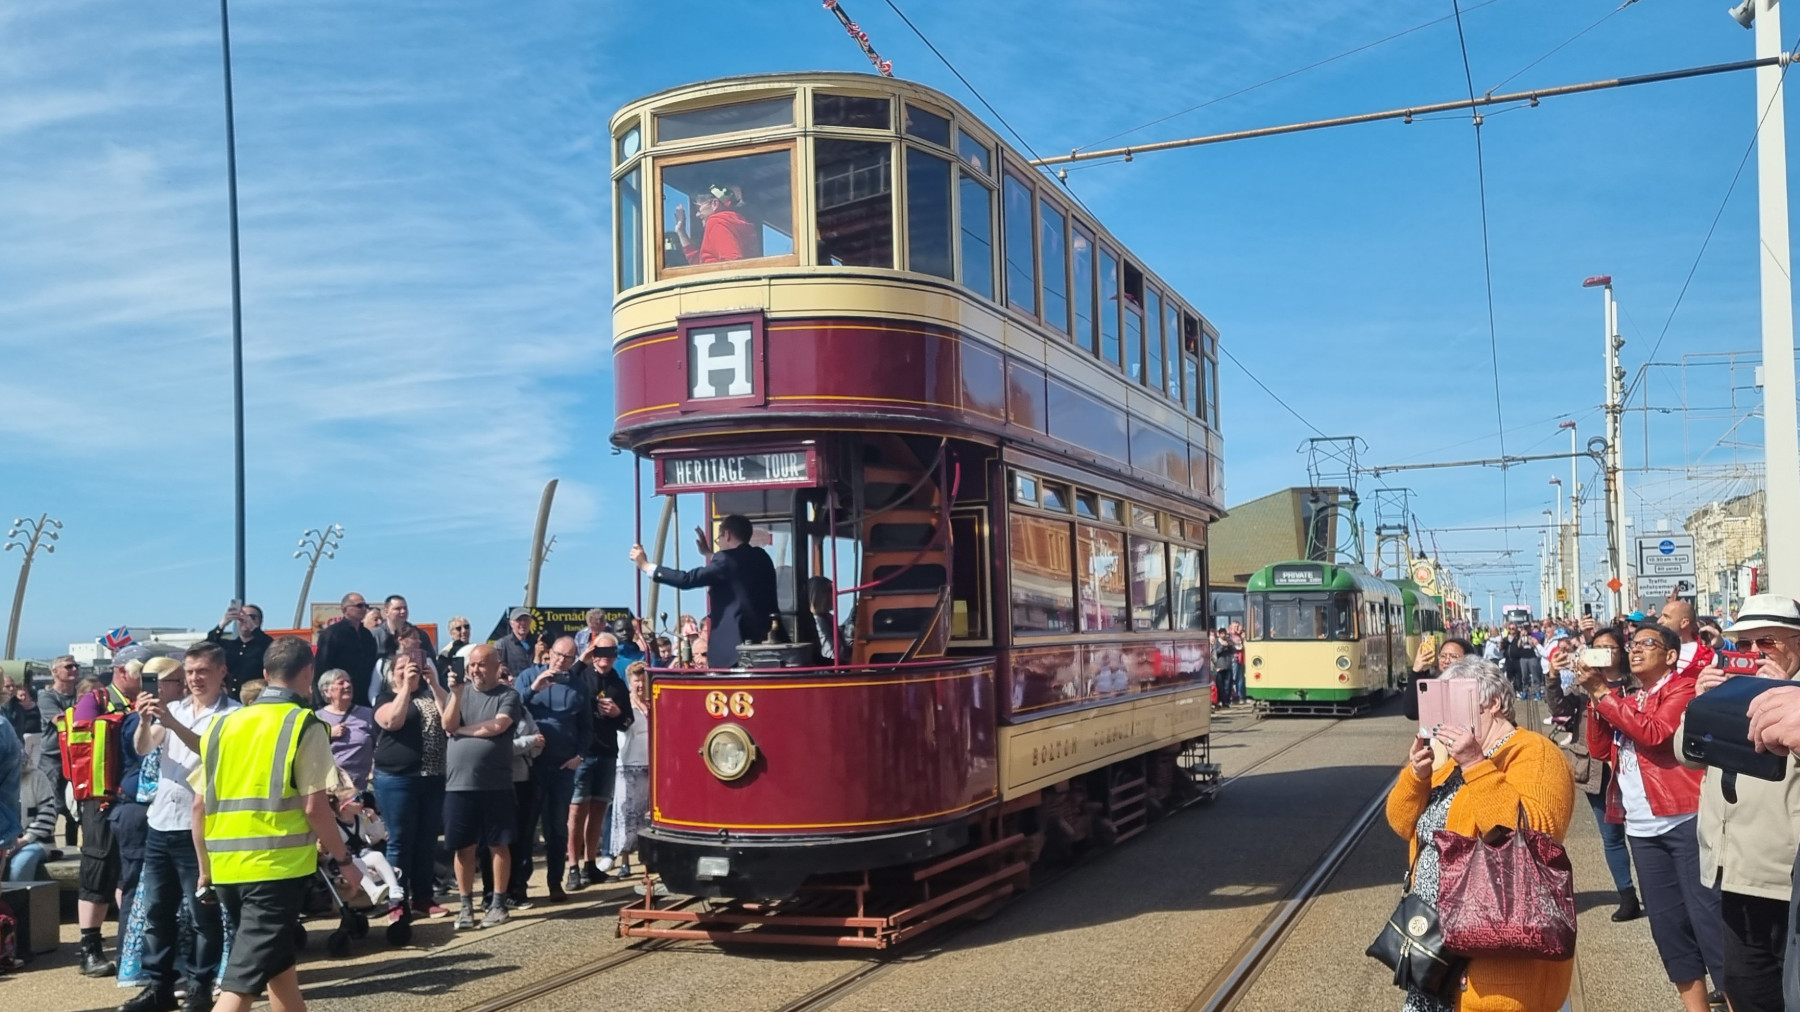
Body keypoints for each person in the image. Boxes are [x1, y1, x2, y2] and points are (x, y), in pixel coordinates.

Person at [1385, 656, 1575, 1011]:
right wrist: (1417, 776)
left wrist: (1476, 765)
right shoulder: (1451, 760)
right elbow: (1402, 823)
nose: (1447, 713)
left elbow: (1533, 833)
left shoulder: (1535, 753)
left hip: (1494, 957)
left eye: (1457, 700)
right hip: (1434, 949)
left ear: (1494, 704)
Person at [192, 637, 361, 1012]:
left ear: (266, 675)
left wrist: (205, 869)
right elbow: (316, 806)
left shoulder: (223, 726)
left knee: (278, 968)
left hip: (227, 868)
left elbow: (199, 805)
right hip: (275, 869)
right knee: (241, 983)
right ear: (309, 674)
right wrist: (345, 861)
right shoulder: (304, 723)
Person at [1585, 623, 1725, 1012]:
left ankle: (1735, 1002)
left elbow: (1655, 732)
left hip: (1684, 817)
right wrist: (1596, 698)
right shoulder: (1627, 695)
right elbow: (1598, 749)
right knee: (1669, 929)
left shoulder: (1682, 689)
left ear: (1669, 656)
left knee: (1709, 921)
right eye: (1633, 644)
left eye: (1648, 644)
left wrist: (1603, 696)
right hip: (1642, 827)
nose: (1635, 650)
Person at [1677, 596, 1800, 1012]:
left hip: (1783, 872)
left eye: (1764, 643)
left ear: (1796, 644)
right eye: (1741, 646)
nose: (1750, 656)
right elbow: (1688, 753)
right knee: (1746, 988)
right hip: (1733, 869)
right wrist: (1699, 706)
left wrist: (1784, 694)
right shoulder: (1730, 686)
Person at [120, 642, 238, 1012]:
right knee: (158, 910)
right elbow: (143, 749)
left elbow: (212, 752)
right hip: (161, 821)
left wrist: (172, 723)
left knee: (202, 911)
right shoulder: (176, 709)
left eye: (202, 671)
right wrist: (145, 721)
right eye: (189, 672)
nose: (195, 679)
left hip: (198, 824)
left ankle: (200, 985)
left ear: (221, 672)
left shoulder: (232, 714)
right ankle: (159, 986)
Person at [1542, 626, 1641, 922]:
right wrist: (1553, 676)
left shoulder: (1635, 683)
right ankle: (1628, 896)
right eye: (1596, 647)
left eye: (1609, 647)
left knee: (1641, 835)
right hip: (1596, 770)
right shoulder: (1583, 684)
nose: (1603, 653)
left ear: (1621, 651)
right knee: (1611, 837)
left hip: (1634, 768)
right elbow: (1560, 707)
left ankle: (1655, 889)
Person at [441, 644, 523, 930]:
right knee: (463, 847)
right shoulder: (461, 694)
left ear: (496, 666)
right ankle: (466, 906)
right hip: (458, 785)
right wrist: (456, 694)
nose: (476, 670)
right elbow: (446, 723)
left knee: (498, 844)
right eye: (472, 664)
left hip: (494, 784)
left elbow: (498, 726)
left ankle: (498, 903)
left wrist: (461, 732)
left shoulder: (509, 695)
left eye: (482, 665)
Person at [630, 514, 779, 669]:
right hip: (764, 643)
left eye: (719, 539)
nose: (719, 544)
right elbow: (737, 567)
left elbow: (687, 579)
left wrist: (646, 565)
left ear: (727, 535)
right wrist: (710, 554)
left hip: (733, 652)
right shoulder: (762, 557)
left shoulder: (725, 561)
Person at [371, 627, 450, 920]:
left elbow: (450, 720)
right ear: (392, 673)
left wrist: (434, 683)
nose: (409, 670)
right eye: (402, 667)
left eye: (413, 665)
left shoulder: (430, 694)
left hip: (431, 776)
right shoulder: (384, 697)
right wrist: (405, 687)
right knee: (400, 840)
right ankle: (397, 900)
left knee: (427, 839)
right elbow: (392, 721)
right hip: (397, 778)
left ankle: (424, 897)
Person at [61, 664, 133, 977]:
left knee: (130, 868)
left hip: (134, 800)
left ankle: (131, 943)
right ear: (122, 671)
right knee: (99, 865)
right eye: (141, 671)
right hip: (99, 797)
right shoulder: (96, 699)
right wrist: (122, 721)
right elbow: (82, 734)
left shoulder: (152, 699)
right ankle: (89, 949)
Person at [519, 636, 592, 903]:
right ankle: (520, 885)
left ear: (575, 661)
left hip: (563, 767)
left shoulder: (579, 687)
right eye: (558, 655)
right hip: (531, 765)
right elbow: (511, 709)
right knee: (526, 828)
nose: (561, 661)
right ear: (549, 653)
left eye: (568, 658)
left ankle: (555, 882)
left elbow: (586, 726)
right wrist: (533, 689)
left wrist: (580, 756)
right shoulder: (528, 676)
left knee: (557, 829)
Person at [572, 634, 630, 883]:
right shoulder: (582, 675)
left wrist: (617, 713)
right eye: (600, 652)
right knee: (576, 811)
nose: (604, 658)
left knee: (597, 810)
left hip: (607, 753)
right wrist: (581, 660)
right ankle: (573, 867)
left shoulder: (617, 682)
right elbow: (563, 682)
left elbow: (628, 721)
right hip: (583, 753)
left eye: (609, 653)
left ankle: (590, 865)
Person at [496, 666, 543, 911]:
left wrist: (532, 744)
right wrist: (529, 743)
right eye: (504, 675)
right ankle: (497, 893)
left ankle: (519, 888)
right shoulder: (491, 708)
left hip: (525, 779)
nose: (510, 678)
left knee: (524, 838)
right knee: (502, 839)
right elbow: (499, 746)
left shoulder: (522, 709)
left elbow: (539, 740)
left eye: (509, 674)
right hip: (500, 782)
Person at [604, 662, 651, 878]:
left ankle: (647, 859)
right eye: (636, 680)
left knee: (646, 815)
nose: (640, 684)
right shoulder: (625, 707)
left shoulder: (652, 705)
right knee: (626, 814)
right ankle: (623, 860)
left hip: (650, 765)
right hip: (628, 765)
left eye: (643, 679)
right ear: (629, 682)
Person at [35, 654, 80, 844]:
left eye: (76, 666)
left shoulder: (80, 695)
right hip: (53, 758)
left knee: (75, 808)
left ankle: (71, 846)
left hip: (75, 757)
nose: (74, 670)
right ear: (55, 671)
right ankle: (47, 846)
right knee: (50, 805)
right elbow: (61, 721)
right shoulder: (47, 697)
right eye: (68, 667)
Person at [313, 669, 376, 790]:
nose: (347, 685)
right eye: (341, 683)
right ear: (327, 692)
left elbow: (380, 746)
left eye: (348, 682)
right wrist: (328, 733)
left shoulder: (367, 714)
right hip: (329, 787)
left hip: (361, 786)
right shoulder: (317, 718)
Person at [314, 593, 378, 706]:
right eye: (359, 605)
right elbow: (321, 668)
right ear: (345, 609)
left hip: (364, 698)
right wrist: (321, 702)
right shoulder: (332, 633)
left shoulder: (367, 635)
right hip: (338, 698)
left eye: (365, 605)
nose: (364, 609)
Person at [673, 183, 760, 264]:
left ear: (715, 204)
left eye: (698, 208)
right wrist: (681, 231)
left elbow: (732, 261)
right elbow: (700, 265)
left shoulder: (717, 222)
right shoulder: (734, 223)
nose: (697, 214)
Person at [204, 603, 273, 699]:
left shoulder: (264, 645)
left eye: (252, 617)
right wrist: (223, 623)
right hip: (228, 699)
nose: (245, 620)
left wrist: (253, 628)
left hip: (255, 698)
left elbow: (273, 646)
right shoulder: (228, 645)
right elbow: (206, 647)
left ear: (260, 621)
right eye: (241, 617)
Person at [371, 595, 435, 669]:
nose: (403, 611)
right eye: (397, 609)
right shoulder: (375, 636)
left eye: (405, 608)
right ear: (386, 611)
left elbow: (431, 661)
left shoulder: (420, 635)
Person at [495, 608, 537, 679]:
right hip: (513, 685)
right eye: (519, 620)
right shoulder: (502, 644)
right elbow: (497, 665)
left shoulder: (537, 643)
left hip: (536, 684)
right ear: (511, 623)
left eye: (525, 619)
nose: (523, 623)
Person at [438, 616, 472, 681]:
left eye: (466, 627)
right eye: (459, 628)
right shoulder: (445, 654)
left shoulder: (474, 648)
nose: (464, 631)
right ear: (451, 634)